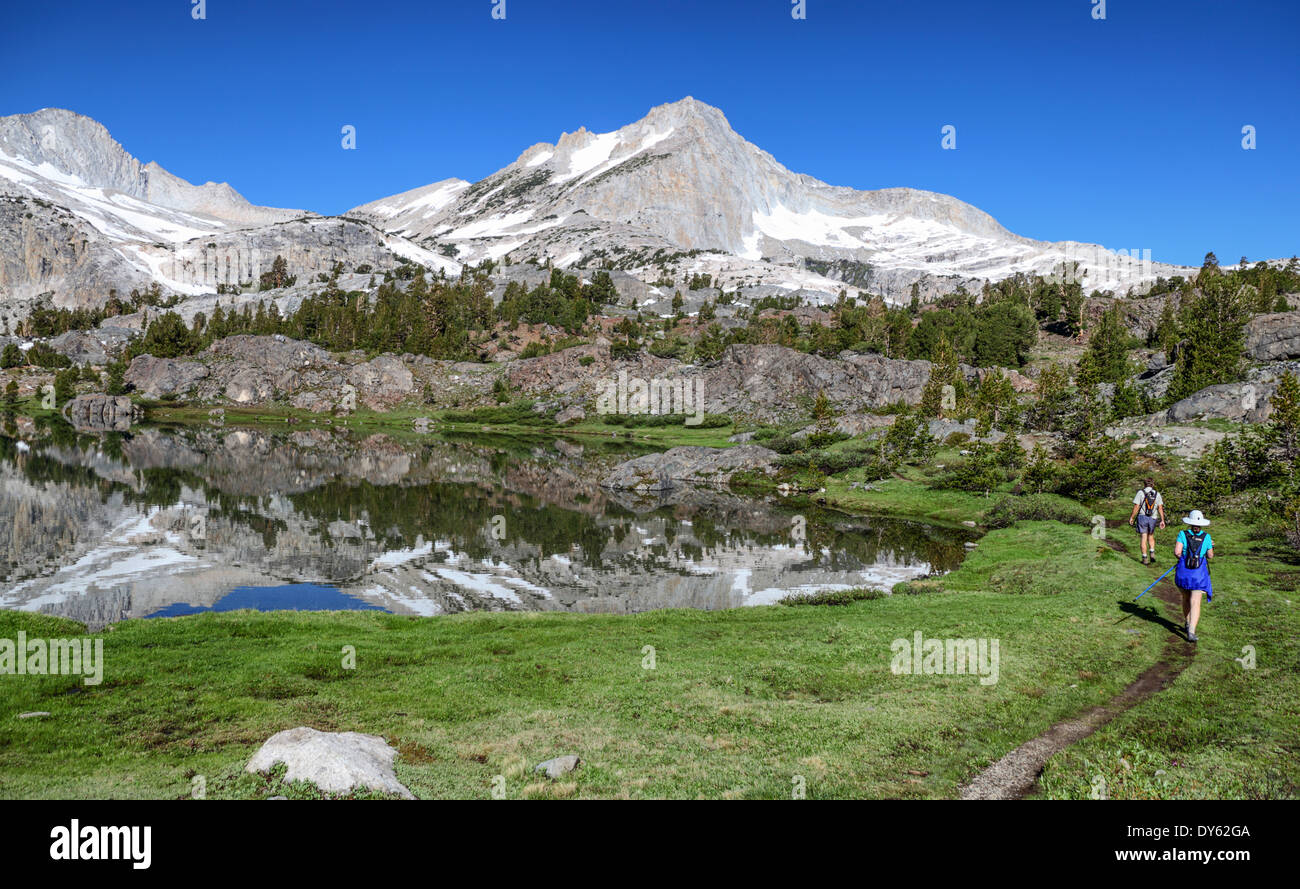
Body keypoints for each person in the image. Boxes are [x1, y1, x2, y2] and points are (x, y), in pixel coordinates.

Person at [1173, 509, 1214, 643]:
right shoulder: (1206, 537)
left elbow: (1177, 552)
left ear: (1190, 523)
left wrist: (1184, 559)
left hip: (1184, 572)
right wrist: (1210, 546)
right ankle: (1191, 631)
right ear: (1201, 524)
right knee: (1195, 602)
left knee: (1185, 598)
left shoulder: (1182, 534)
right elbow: (1210, 556)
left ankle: (1187, 621)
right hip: (1198, 574)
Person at [1128, 477, 1167, 565]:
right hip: (1153, 518)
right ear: (1152, 484)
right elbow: (1160, 507)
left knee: (1143, 537)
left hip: (1142, 517)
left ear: (1144, 484)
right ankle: (1152, 553)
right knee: (1151, 535)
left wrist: (1132, 517)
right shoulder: (1157, 494)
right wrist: (1162, 520)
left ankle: (1145, 558)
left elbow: (1136, 506)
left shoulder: (1140, 493)